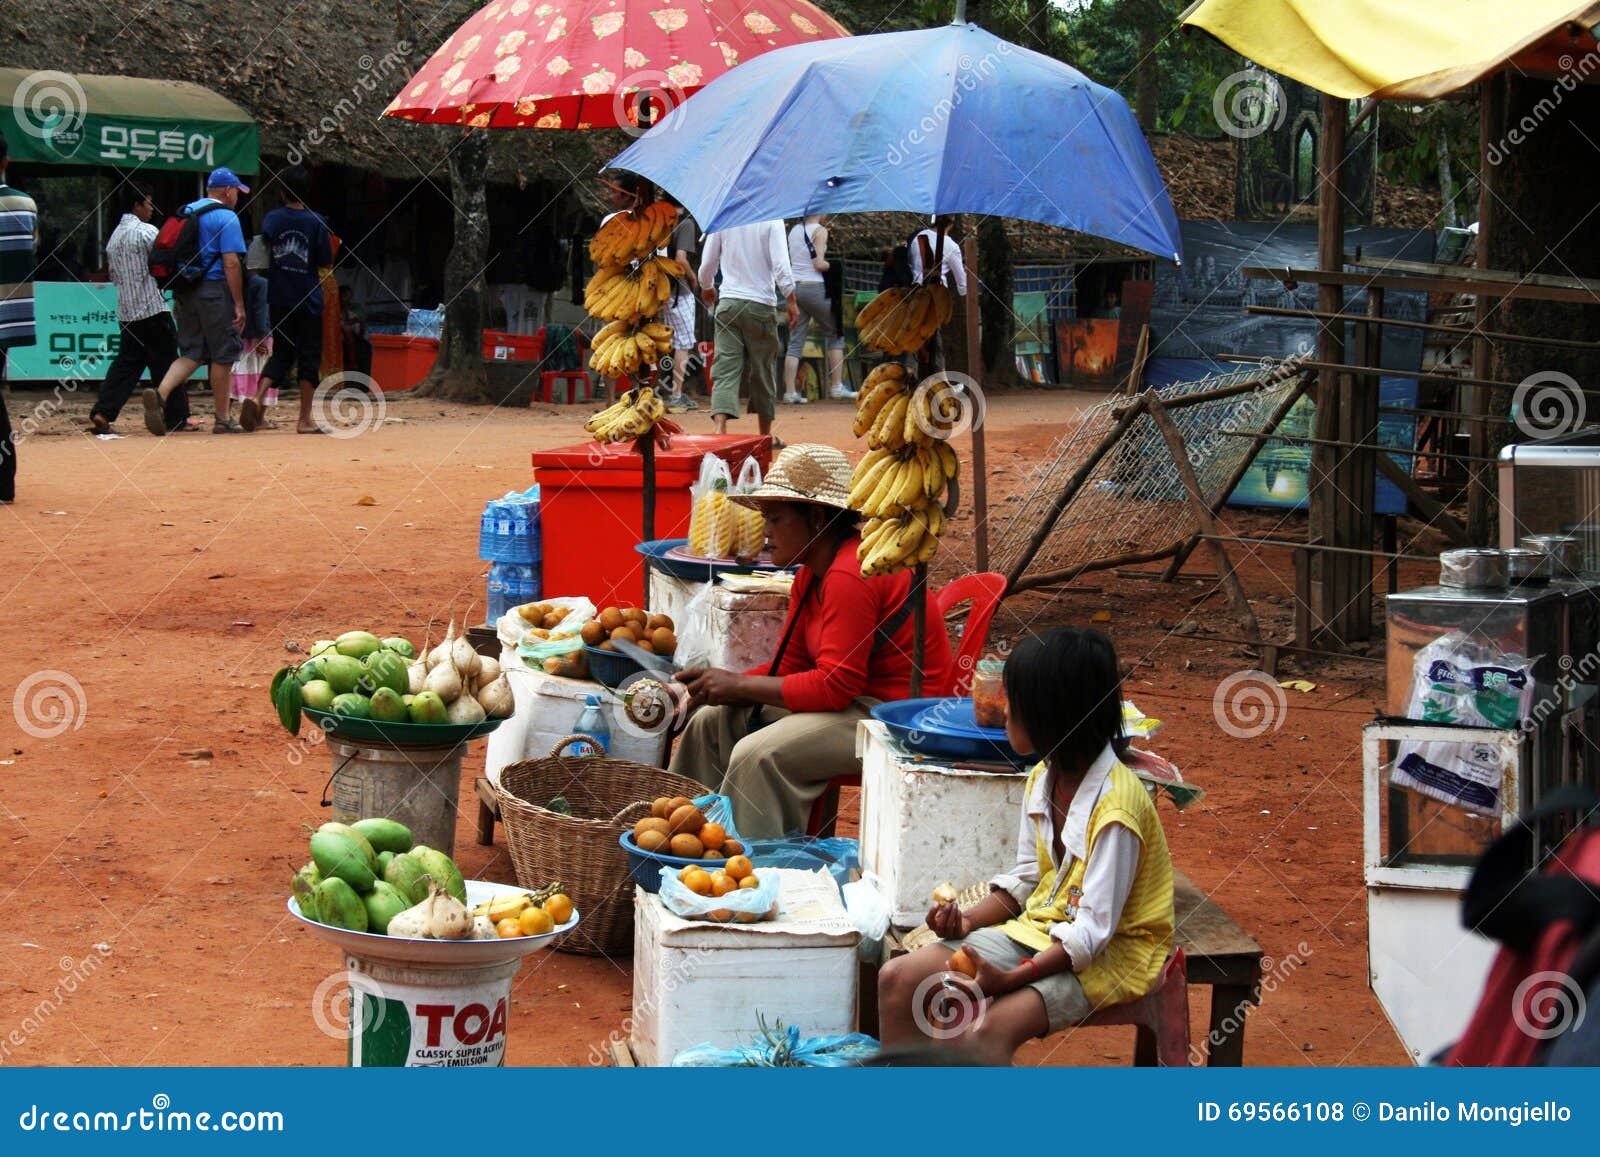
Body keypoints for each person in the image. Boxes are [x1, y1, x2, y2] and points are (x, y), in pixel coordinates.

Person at [877, 627, 1175, 1064]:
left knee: (983, 1031)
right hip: (1041, 930)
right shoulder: (1043, 777)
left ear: (1048, 714)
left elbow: (1091, 935)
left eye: (1014, 697)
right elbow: (1028, 879)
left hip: (1112, 955)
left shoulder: (1117, 809)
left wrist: (1012, 979)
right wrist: (965, 923)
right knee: (897, 979)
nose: (1005, 707)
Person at [669, 443, 954, 838]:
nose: (765, 531)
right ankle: (679, 839)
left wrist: (738, 683)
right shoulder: (810, 574)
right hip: (852, 703)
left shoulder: (849, 574)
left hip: (893, 717)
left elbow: (835, 687)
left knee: (759, 756)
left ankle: (752, 874)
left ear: (817, 517)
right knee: (709, 722)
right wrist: (715, 687)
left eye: (776, 519)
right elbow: (790, 669)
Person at [142, 167, 250, 435]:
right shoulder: (226, 217)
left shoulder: (187, 211)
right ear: (227, 190)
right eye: (236, 190)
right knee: (222, 355)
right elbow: (231, 263)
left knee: (192, 352)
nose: (238, 195)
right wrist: (239, 303)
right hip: (213, 291)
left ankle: (161, 393)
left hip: (185, 290)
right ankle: (223, 418)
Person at [241, 166, 333, 434]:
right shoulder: (316, 222)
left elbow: (261, 250)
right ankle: (304, 419)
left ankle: (257, 398)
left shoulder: (273, 219)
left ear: (282, 192)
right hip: (307, 298)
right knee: (308, 358)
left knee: (282, 352)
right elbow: (326, 261)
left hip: (279, 296)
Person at [92, 184, 188, 434]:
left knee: (126, 364)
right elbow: (163, 263)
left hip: (127, 311)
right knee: (167, 363)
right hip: (153, 308)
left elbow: (114, 275)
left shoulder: (114, 238)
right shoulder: (147, 232)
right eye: (147, 203)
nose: (151, 208)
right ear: (136, 205)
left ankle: (104, 412)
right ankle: (176, 416)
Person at [698, 220, 798, 441]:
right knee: (763, 369)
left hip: (728, 303)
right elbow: (781, 265)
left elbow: (707, 264)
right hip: (760, 305)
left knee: (725, 365)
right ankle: (765, 435)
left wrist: (707, 286)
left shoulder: (725, 215)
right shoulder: (773, 218)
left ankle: (720, 429)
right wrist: (791, 300)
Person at [0, 128, 37, 503]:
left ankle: (4, 477)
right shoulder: (25, 204)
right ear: (6, 162)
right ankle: (4, 478)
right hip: (11, 313)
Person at [782, 214, 854, 405]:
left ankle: (790, 392)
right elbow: (819, 264)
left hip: (796, 288)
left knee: (796, 340)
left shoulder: (794, 231)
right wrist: (835, 266)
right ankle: (837, 387)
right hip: (815, 288)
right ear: (820, 211)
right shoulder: (820, 231)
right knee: (835, 334)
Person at [664, 203, 701, 412]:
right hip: (679, 292)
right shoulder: (684, 223)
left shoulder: (659, 221)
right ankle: (676, 394)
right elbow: (680, 258)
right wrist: (693, 276)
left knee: (665, 343)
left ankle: (658, 389)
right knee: (683, 344)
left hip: (658, 290)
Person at [907, 215, 967, 295]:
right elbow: (962, 283)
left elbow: (910, 261)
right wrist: (964, 290)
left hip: (912, 289)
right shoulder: (952, 246)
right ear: (951, 225)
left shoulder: (918, 235)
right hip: (936, 293)